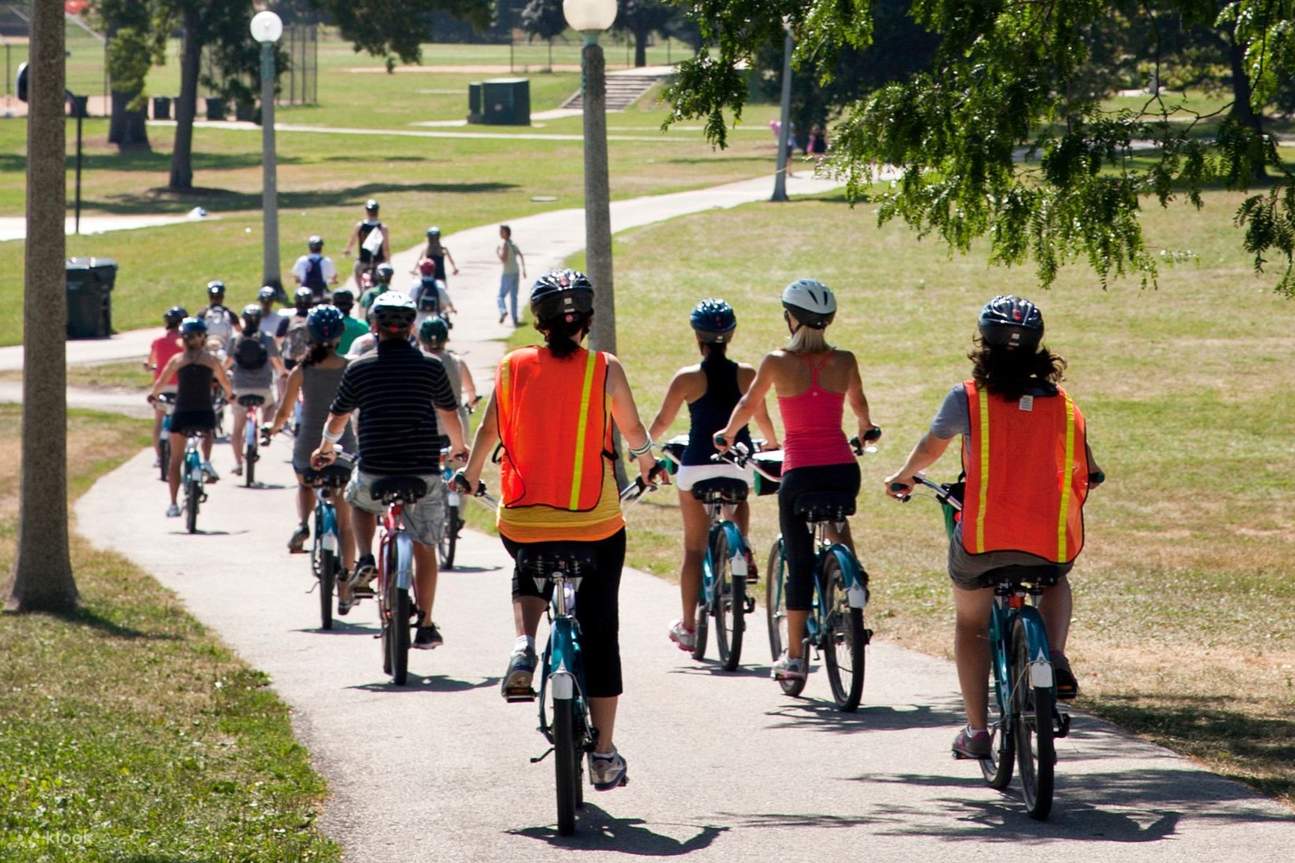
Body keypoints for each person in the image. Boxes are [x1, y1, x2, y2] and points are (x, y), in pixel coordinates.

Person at [456, 269, 659, 792]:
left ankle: (524, 644)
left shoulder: (511, 366)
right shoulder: (604, 369)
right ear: (587, 320)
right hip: (594, 523)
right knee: (601, 629)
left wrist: (472, 475)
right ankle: (604, 754)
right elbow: (633, 432)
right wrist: (647, 466)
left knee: (527, 562)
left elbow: (488, 430)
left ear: (539, 321)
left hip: (524, 518)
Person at [883, 295, 1102, 759]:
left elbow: (931, 446)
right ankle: (1054, 656)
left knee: (971, 622)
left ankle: (978, 732)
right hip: (1047, 542)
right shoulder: (1065, 406)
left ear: (984, 343)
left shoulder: (968, 398)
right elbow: (1089, 468)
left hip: (984, 539)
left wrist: (902, 475)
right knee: (1056, 578)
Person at [714, 279, 878, 684]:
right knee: (837, 518)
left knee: (800, 563)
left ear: (791, 317)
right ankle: (851, 576)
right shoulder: (845, 360)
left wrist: (727, 435)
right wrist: (866, 430)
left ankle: (793, 657)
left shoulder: (776, 361)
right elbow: (860, 406)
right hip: (843, 469)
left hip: (800, 472)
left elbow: (748, 403)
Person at [312, 292, 467, 649]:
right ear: (412, 327)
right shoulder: (431, 366)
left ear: (374, 327)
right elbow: (448, 414)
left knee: (360, 502)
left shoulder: (359, 367)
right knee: (426, 544)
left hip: (375, 466)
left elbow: (337, 418)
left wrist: (324, 447)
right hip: (422, 468)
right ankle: (426, 623)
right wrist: (458, 449)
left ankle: (366, 558)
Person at [648, 299, 779, 652]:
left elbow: (661, 422)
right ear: (731, 334)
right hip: (736, 464)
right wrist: (770, 442)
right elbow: (761, 416)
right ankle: (742, 546)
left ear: (697, 336)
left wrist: (642, 450)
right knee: (740, 495)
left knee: (693, 549)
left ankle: (689, 626)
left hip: (696, 468)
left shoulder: (687, 377)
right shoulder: (748, 374)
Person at [269, 307, 359, 604]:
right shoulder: (350, 367)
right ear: (339, 336)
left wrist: (273, 428)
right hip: (342, 447)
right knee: (346, 526)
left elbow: (284, 410)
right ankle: (346, 586)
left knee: (305, 482)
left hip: (308, 446)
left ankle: (303, 523)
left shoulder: (302, 370)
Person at [147, 318, 234, 515]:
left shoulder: (178, 360)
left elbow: (161, 381)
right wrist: (230, 395)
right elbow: (225, 382)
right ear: (203, 339)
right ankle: (207, 461)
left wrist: (153, 395)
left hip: (182, 412)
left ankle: (173, 504)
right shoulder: (211, 360)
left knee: (175, 460)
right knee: (209, 429)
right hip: (203, 411)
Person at [225, 305, 286, 477]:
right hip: (262, 387)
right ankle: (266, 430)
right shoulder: (266, 339)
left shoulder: (236, 340)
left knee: (237, 429)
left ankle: (238, 463)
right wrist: (283, 373)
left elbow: (227, 363)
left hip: (240, 388)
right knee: (271, 405)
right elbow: (277, 362)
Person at [417, 315, 477, 436]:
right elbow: (471, 390)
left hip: (429, 427)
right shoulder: (457, 361)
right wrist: (471, 403)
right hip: (457, 425)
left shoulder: (417, 363)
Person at [147, 306, 187, 468]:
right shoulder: (184, 342)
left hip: (162, 386)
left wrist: (150, 366)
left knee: (158, 420)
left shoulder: (158, 342)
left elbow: (151, 362)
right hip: (181, 387)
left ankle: (158, 456)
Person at [343, 198, 390, 282]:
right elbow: (385, 247)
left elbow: (352, 241)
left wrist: (348, 250)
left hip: (363, 261)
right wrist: (387, 260)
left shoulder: (360, 226)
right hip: (378, 261)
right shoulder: (382, 227)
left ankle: (361, 291)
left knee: (357, 272)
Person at [496, 224, 526, 326]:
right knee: (514, 297)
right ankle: (515, 319)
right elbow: (521, 255)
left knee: (500, 296)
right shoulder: (513, 243)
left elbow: (503, 259)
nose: (500, 233)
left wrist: (498, 253)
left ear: (506, 233)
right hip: (516, 272)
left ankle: (503, 310)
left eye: (502, 231)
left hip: (507, 273)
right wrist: (523, 270)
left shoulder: (504, 244)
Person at [411, 260, 456, 326]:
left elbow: (410, 301)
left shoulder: (415, 284)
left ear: (421, 271)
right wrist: (452, 309)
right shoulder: (439, 285)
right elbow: (446, 301)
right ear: (433, 270)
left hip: (418, 320)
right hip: (435, 319)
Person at [282, 287, 315, 371]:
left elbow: (279, 338)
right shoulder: (314, 319)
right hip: (309, 359)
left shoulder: (288, 319)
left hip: (289, 359)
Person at [200, 280, 241, 346]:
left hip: (212, 350)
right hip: (222, 350)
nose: (216, 299)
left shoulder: (202, 313)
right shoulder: (230, 314)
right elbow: (239, 331)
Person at [331, 288, 369, 357]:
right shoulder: (362, 325)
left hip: (333, 366)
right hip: (357, 365)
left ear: (333, 305)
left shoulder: (327, 326)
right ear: (352, 305)